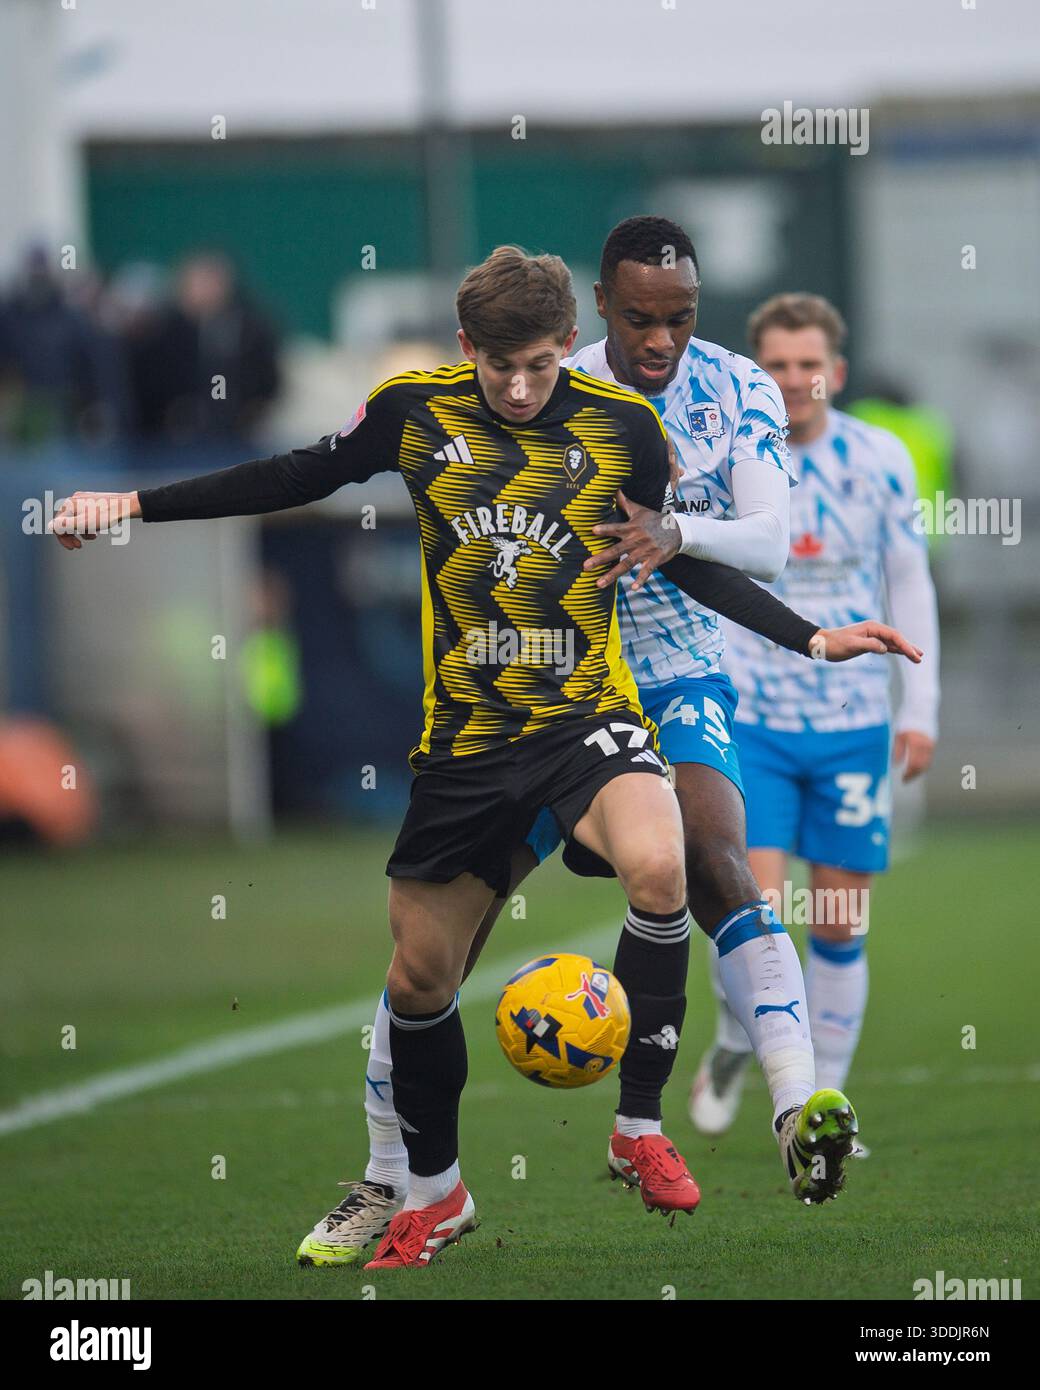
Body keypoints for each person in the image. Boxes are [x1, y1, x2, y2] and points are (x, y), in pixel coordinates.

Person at [285, 221, 924, 1267]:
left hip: (674, 667)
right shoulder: (545, 380)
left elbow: (761, 542)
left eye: (679, 315)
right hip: (544, 686)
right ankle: (386, 1175)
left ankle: (790, 1105)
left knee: (703, 857)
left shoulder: (736, 390)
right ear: (598, 308)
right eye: (641, 318)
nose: (662, 337)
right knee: (430, 960)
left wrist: (689, 545)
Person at [690, 293, 940, 1140]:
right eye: (777, 367)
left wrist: (921, 707)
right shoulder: (724, 458)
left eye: (809, 366)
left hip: (851, 723)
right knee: (752, 914)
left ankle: (825, 1106)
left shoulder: (881, 458)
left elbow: (909, 581)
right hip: (750, 718)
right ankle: (737, 1036)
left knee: (838, 924)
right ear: (756, 374)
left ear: (835, 372)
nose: (795, 382)